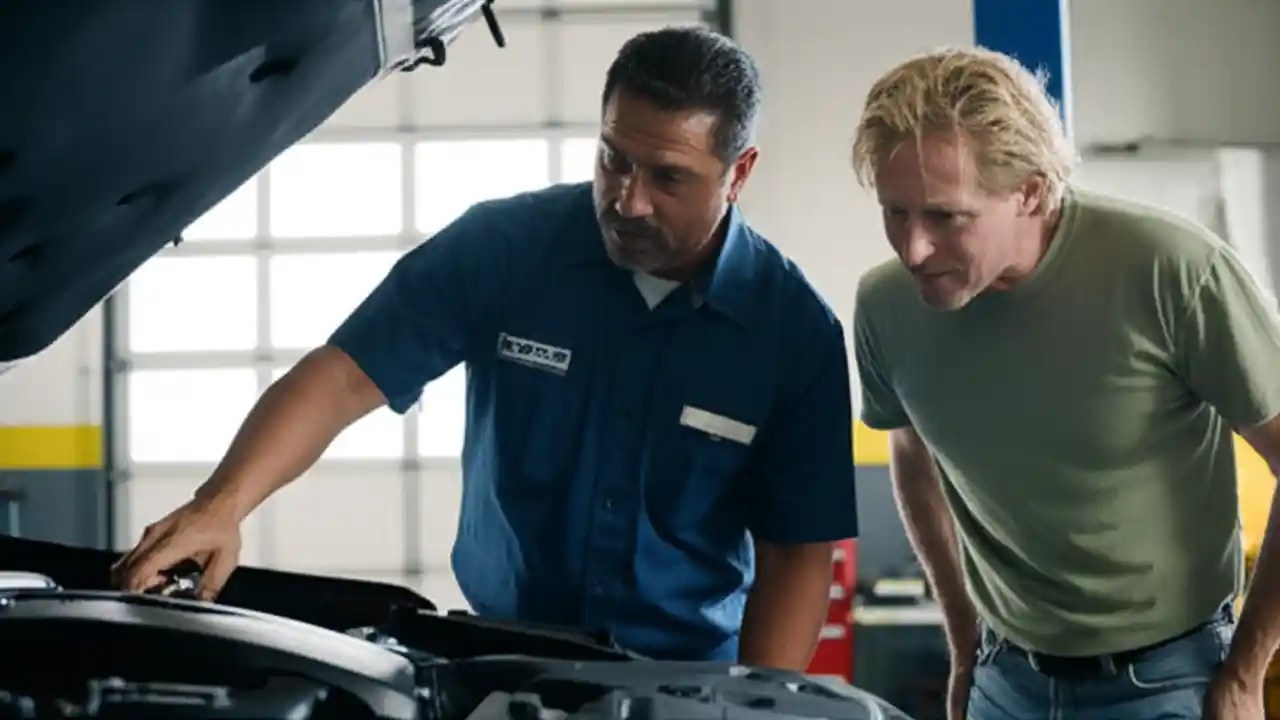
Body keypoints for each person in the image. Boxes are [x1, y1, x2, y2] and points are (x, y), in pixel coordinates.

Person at [111, 25, 859, 670]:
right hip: (494, 660)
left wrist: (759, 704)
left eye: (668, 177)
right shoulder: (503, 249)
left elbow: (797, 554)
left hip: (681, 677)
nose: (628, 199)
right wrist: (224, 502)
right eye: (612, 159)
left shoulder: (793, 334)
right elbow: (344, 377)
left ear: (740, 174)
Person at [849, 46, 1280, 719]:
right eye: (895, 212)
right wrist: (962, 639)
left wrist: (1249, 669)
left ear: (1031, 190)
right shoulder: (885, 307)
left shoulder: (1172, 272)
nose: (913, 250)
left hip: (1171, 680)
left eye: (945, 217)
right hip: (1003, 678)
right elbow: (911, 450)